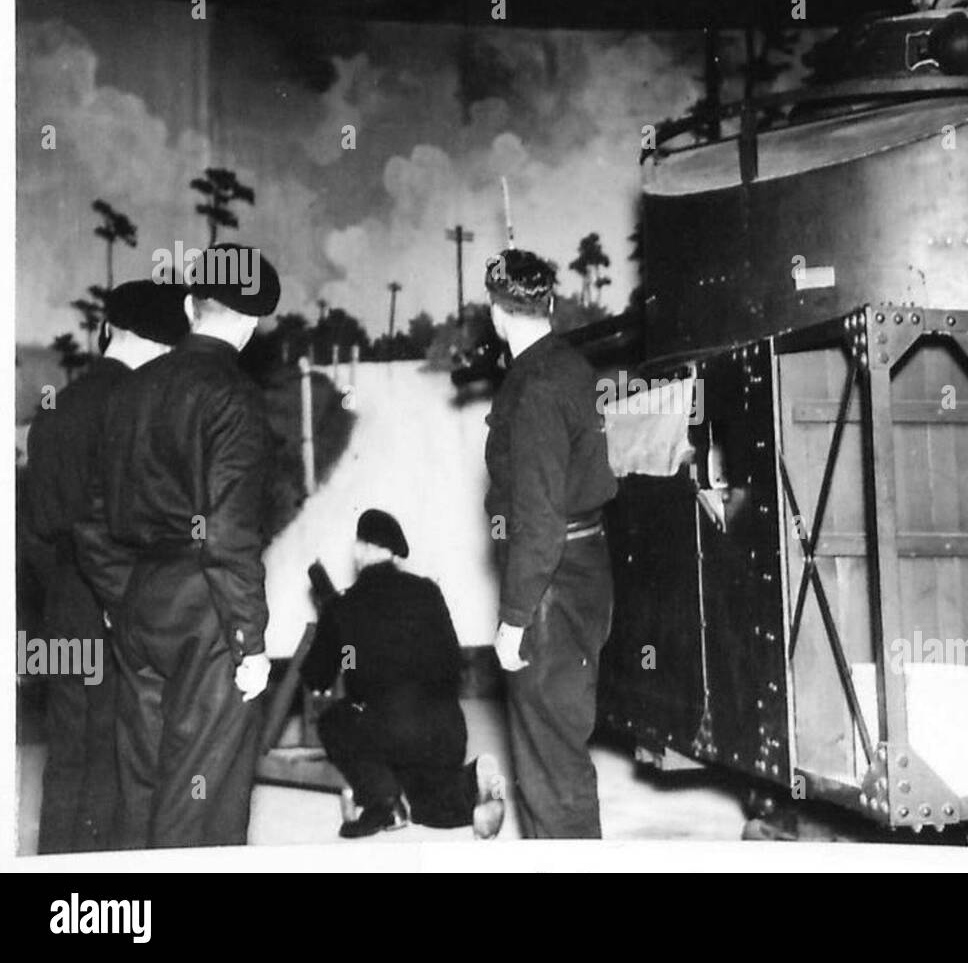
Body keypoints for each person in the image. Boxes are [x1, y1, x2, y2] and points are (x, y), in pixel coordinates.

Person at [75, 243, 280, 849]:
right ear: (249, 325)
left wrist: (121, 597)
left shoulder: (129, 391)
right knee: (201, 788)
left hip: (139, 601)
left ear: (192, 304)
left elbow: (90, 519)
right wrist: (250, 640)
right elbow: (229, 534)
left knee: (141, 778)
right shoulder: (234, 397)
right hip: (207, 610)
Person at [27, 279, 189, 853]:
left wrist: (65, 589)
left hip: (62, 604)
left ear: (109, 331)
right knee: (124, 760)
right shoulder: (144, 405)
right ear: (163, 342)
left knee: (68, 756)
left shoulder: (57, 407)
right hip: (124, 602)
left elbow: (37, 524)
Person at [482, 249, 618, 838]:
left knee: (546, 759)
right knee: (563, 737)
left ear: (496, 313)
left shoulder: (533, 388)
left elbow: (537, 520)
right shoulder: (571, 367)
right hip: (586, 568)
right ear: (550, 305)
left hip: (549, 583)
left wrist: (514, 619)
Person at [302, 509, 504, 839]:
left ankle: (384, 803)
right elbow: (454, 659)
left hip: (387, 730)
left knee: (334, 721)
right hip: (446, 732)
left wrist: (335, 637)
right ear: (395, 554)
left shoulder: (344, 605)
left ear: (361, 549)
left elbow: (317, 677)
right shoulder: (428, 591)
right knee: (428, 805)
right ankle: (473, 783)